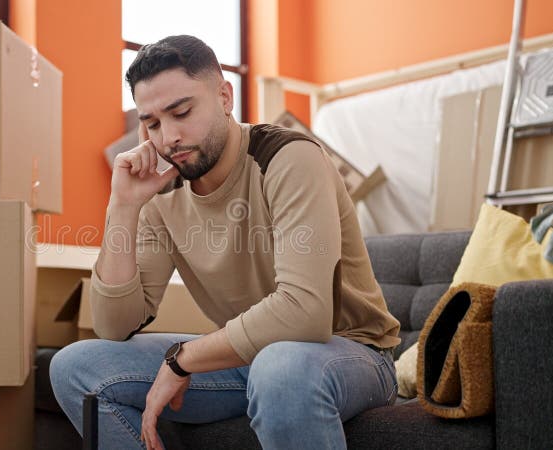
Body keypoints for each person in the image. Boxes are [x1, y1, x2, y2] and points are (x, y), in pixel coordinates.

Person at [50, 35, 400, 450]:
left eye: (182, 112)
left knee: (280, 367)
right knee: (75, 366)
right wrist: (123, 207)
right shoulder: (160, 191)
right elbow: (114, 325)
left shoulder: (290, 157)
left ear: (224, 95)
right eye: (154, 123)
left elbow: (306, 313)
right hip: (248, 360)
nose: (169, 138)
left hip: (347, 354)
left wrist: (184, 359)